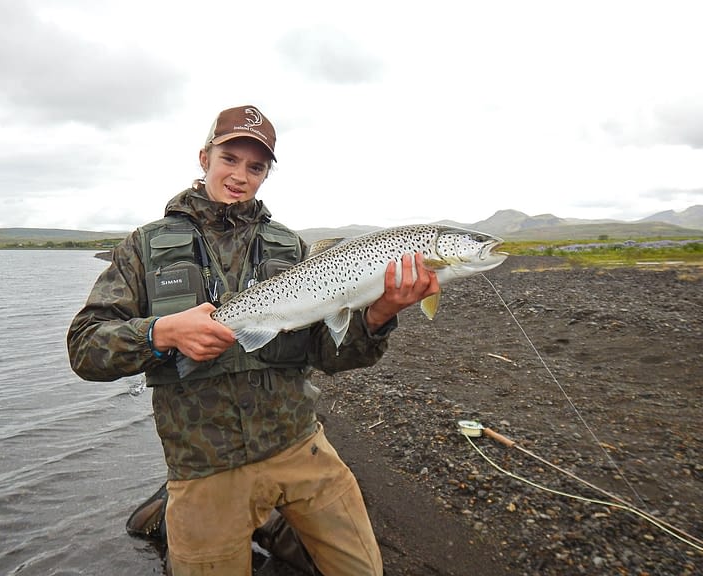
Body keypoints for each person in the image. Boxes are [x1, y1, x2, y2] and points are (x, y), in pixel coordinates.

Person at [67, 104, 439, 576]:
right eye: (229, 159)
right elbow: (84, 347)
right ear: (204, 158)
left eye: (256, 166)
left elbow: (330, 353)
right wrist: (160, 333)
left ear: (266, 174)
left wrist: (381, 313)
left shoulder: (292, 248)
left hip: (300, 446)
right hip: (204, 468)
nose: (240, 174)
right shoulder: (143, 246)